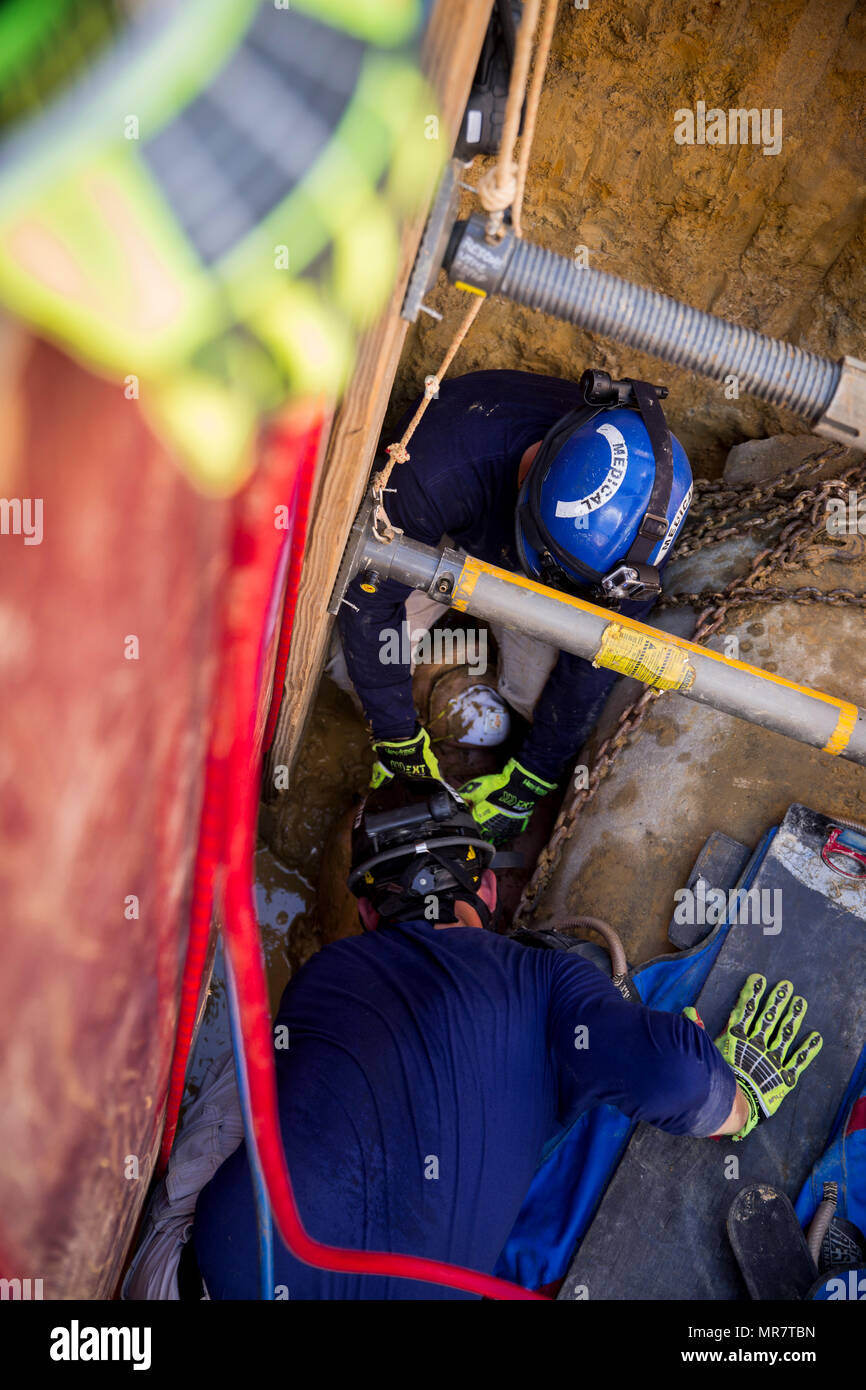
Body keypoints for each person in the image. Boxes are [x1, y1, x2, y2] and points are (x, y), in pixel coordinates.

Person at [124, 785, 820, 1300]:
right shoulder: (548, 981)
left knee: (257, 1056)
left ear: (367, 911)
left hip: (185, 1287)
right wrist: (739, 1101)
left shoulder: (324, 976)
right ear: (485, 887)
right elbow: (679, 1079)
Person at [329, 367, 694, 845]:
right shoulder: (436, 469)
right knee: (343, 665)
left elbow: (595, 660)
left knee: (543, 704)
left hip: (544, 557)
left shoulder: (639, 522)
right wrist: (397, 736)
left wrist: (532, 776)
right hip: (441, 537)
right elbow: (372, 607)